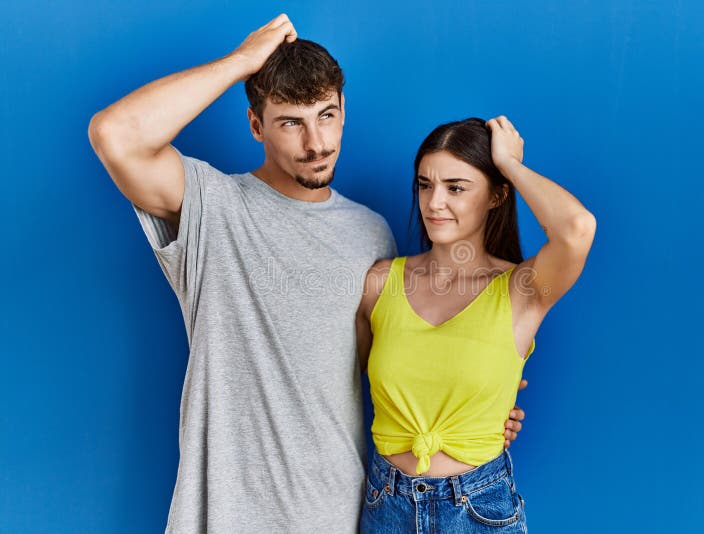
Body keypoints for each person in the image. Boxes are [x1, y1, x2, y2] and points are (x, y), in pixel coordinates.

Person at [88, 15, 524, 533]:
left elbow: (387, 364)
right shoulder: (212, 205)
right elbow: (115, 135)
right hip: (225, 515)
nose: (316, 141)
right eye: (291, 122)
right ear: (256, 125)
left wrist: (478, 402)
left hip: (339, 512)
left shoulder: (372, 234)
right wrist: (241, 62)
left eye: (327, 115)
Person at [356, 117, 596, 532]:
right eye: (425, 185)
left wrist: (511, 165)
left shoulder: (521, 290)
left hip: (477, 510)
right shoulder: (380, 283)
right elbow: (350, 384)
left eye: (456, 187)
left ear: (496, 195)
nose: (433, 203)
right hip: (385, 504)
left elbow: (577, 229)